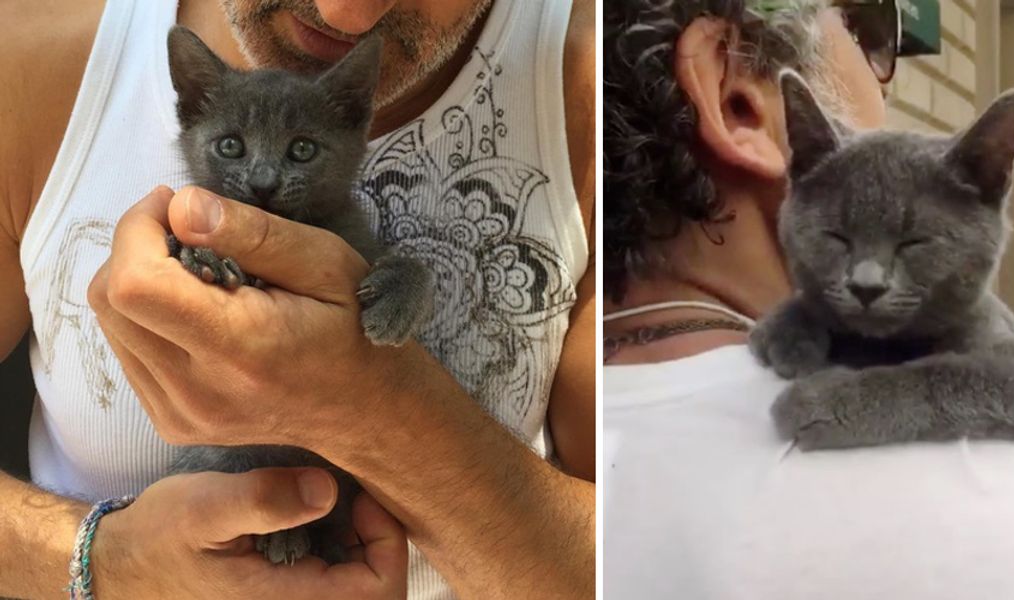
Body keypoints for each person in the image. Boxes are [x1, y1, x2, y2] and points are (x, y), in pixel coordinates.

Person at [603, 0, 1014, 597]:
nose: (883, 76)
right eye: (860, 27)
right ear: (741, 106)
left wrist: (880, 395)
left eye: (912, 243)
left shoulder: (577, 432)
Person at [0, 0, 594, 598]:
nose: (347, 14)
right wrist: (111, 562)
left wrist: (383, 398)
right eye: (233, 149)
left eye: (300, 151)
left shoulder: (597, 90)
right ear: (192, 106)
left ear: (353, 116)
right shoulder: (33, 55)